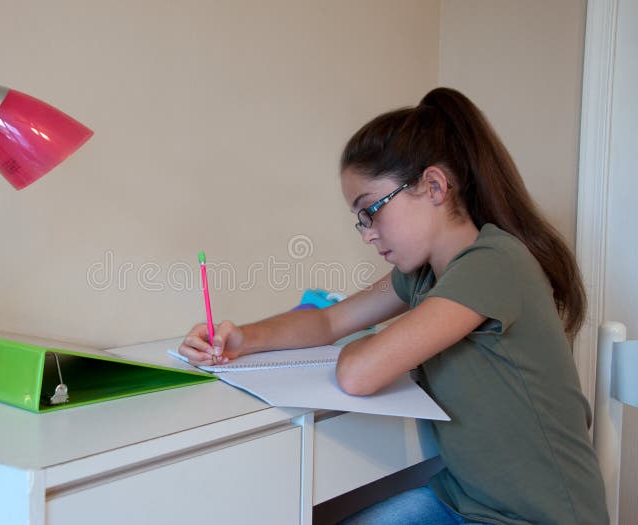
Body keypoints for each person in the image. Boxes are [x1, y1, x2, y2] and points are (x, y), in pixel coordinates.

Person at [177, 87, 608, 524]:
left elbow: (358, 373)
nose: (366, 234)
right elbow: (329, 320)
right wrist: (242, 338)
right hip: (464, 501)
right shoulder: (422, 274)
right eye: (359, 220)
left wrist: (369, 346)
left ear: (434, 186)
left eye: (372, 211)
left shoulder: (495, 264)